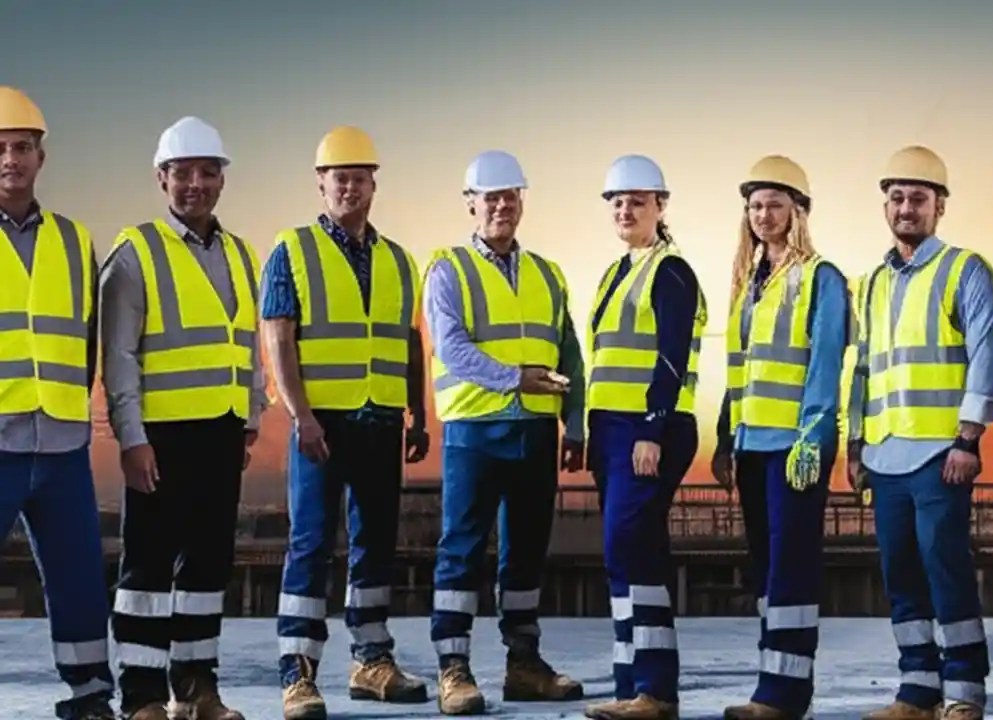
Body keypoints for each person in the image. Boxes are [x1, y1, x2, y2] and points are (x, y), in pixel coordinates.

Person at [262, 125, 431, 720]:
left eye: (360, 178)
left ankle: (371, 660)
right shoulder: (293, 249)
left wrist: (419, 415)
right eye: (340, 179)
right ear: (321, 185)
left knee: (376, 544)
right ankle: (298, 673)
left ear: (374, 184)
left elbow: (411, 342)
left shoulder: (398, 260)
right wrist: (300, 414)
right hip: (321, 426)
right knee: (310, 544)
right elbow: (278, 338)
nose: (351, 188)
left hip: (381, 420)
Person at [100, 116, 266, 720]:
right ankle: (141, 696)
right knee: (146, 567)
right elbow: (117, 354)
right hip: (160, 437)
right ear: (161, 178)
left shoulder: (242, 254)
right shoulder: (135, 252)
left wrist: (249, 414)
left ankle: (195, 689)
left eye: (207, 172)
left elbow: (245, 342)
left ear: (222, 179)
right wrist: (131, 437)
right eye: (183, 173)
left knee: (207, 564)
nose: (195, 184)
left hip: (220, 432)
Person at [425, 149, 586, 715]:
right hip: (474, 428)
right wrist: (516, 380)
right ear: (471, 203)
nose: (500, 206)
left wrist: (576, 421)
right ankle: (454, 668)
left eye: (509, 196)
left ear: (522, 201)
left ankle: (524, 664)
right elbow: (452, 349)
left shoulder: (548, 273)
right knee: (461, 550)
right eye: (490, 197)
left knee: (524, 553)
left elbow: (569, 349)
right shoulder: (448, 268)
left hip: (536, 433)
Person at [846, 146, 993, 720]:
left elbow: (987, 356)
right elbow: (864, 366)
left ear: (940, 206)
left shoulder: (966, 271)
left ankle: (964, 691)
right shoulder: (871, 284)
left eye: (917, 198)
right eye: (896, 198)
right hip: (885, 457)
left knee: (946, 567)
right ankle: (917, 689)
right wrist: (856, 443)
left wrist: (968, 440)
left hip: (940, 455)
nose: (905, 208)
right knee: (902, 574)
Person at [710, 154, 849, 720]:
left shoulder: (821, 278)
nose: (763, 214)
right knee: (766, 567)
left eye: (775, 204)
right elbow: (741, 368)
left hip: (795, 445)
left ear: (799, 211)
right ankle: (773, 680)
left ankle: (786, 694)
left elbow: (824, 365)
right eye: (755, 205)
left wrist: (813, 437)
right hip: (753, 446)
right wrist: (725, 437)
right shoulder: (748, 285)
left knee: (791, 564)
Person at [0, 85, 115, 720]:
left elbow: (89, 333)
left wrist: (75, 403)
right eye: (0, 149)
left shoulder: (75, 241)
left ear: (42, 158)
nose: (10, 159)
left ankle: (91, 692)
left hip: (63, 440)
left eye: (21, 148)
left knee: (77, 574)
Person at [581, 155, 706, 720]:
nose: (626, 209)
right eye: (617, 201)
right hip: (612, 432)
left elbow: (671, 355)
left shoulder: (671, 271)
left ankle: (654, 690)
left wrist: (653, 426)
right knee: (626, 554)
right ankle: (634, 685)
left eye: (637, 200)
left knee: (630, 545)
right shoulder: (617, 272)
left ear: (661, 205)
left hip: (647, 430)